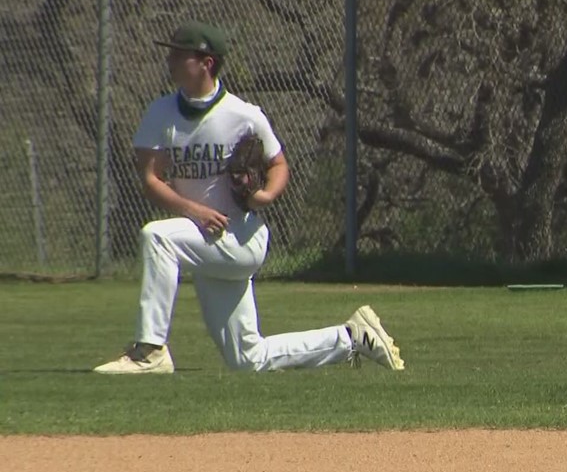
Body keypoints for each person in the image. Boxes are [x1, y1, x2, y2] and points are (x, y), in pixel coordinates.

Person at [94, 21, 404, 375]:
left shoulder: (243, 114)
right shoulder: (161, 113)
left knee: (157, 237)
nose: (171, 60)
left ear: (206, 62)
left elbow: (278, 163)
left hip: (238, 236)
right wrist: (194, 211)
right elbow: (150, 179)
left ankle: (150, 350)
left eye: (180, 55)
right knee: (247, 359)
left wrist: (265, 195)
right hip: (202, 238)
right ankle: (351, 337)